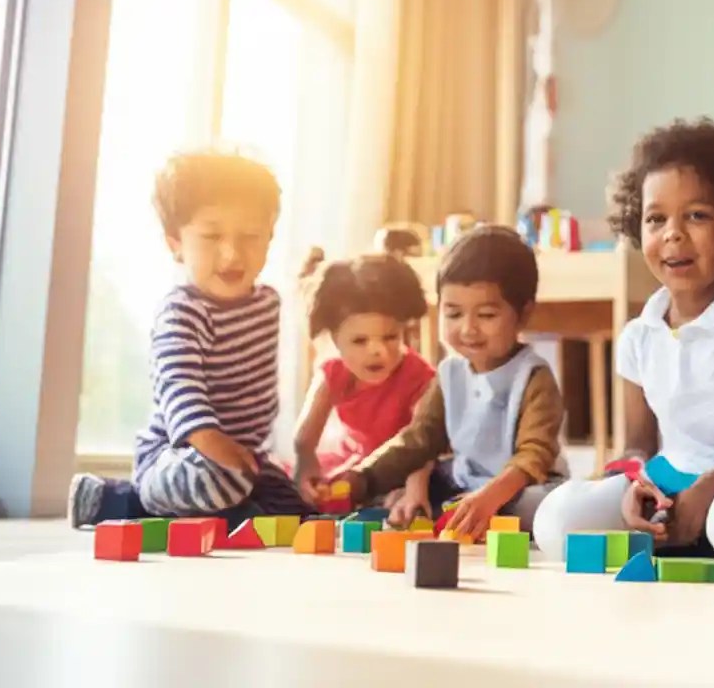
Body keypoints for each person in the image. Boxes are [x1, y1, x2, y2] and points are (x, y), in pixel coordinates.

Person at [532, 118, 714, 562]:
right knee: (557, 521)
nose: (672, 232)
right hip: (670, 481)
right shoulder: (638, 336)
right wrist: (638, 485)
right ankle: (676, 530)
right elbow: (637, 447)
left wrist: (711, 487)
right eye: (656, 218)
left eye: (697, 215)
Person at [68, 150, 311, 526]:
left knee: (294, 508)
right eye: (212, 236)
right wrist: (215, 445)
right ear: (175, 244)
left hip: (244, 456)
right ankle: (116, 500)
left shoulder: (268, 303)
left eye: (250, 236)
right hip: (178, 454)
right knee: (221, 483)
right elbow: (179, 390)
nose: (232, 254)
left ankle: (233, 509)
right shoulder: (182, 313)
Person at [333, 226, 567, 539]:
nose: (468, 329)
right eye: (453, 313)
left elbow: (533, 456)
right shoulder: (449, 374)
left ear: (523, 314)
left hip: (516, 487)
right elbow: (419, 439)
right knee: (400, 491)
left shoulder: (534, 377)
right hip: (461, 483)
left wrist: (489, 498)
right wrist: (362, 477)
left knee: (552, 508)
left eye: (485, 315)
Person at [293, 252, 435, 502]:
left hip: (408, 470)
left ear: (404, 331)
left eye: (390, 337)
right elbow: (304, 438)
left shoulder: (420, 378)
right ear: (336, 340)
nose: (377, 351)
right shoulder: (333, 373)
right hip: (352, 466)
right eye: (360, 341)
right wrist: (306, 468)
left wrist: (414, 492)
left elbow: (422, 447)